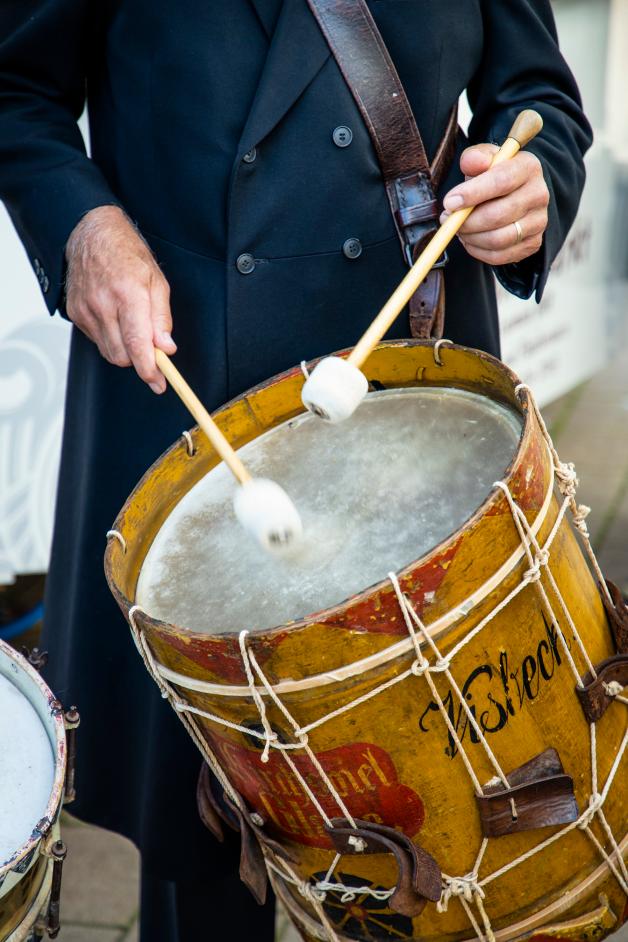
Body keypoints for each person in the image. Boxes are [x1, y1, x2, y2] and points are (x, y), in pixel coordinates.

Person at [0, 1, 591, 939]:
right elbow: (15, 88)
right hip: (187, 384)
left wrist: (536, 182)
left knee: (450, 824)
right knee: (203, 859)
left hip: (416, 395)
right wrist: (85, 225)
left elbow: (537, 96)